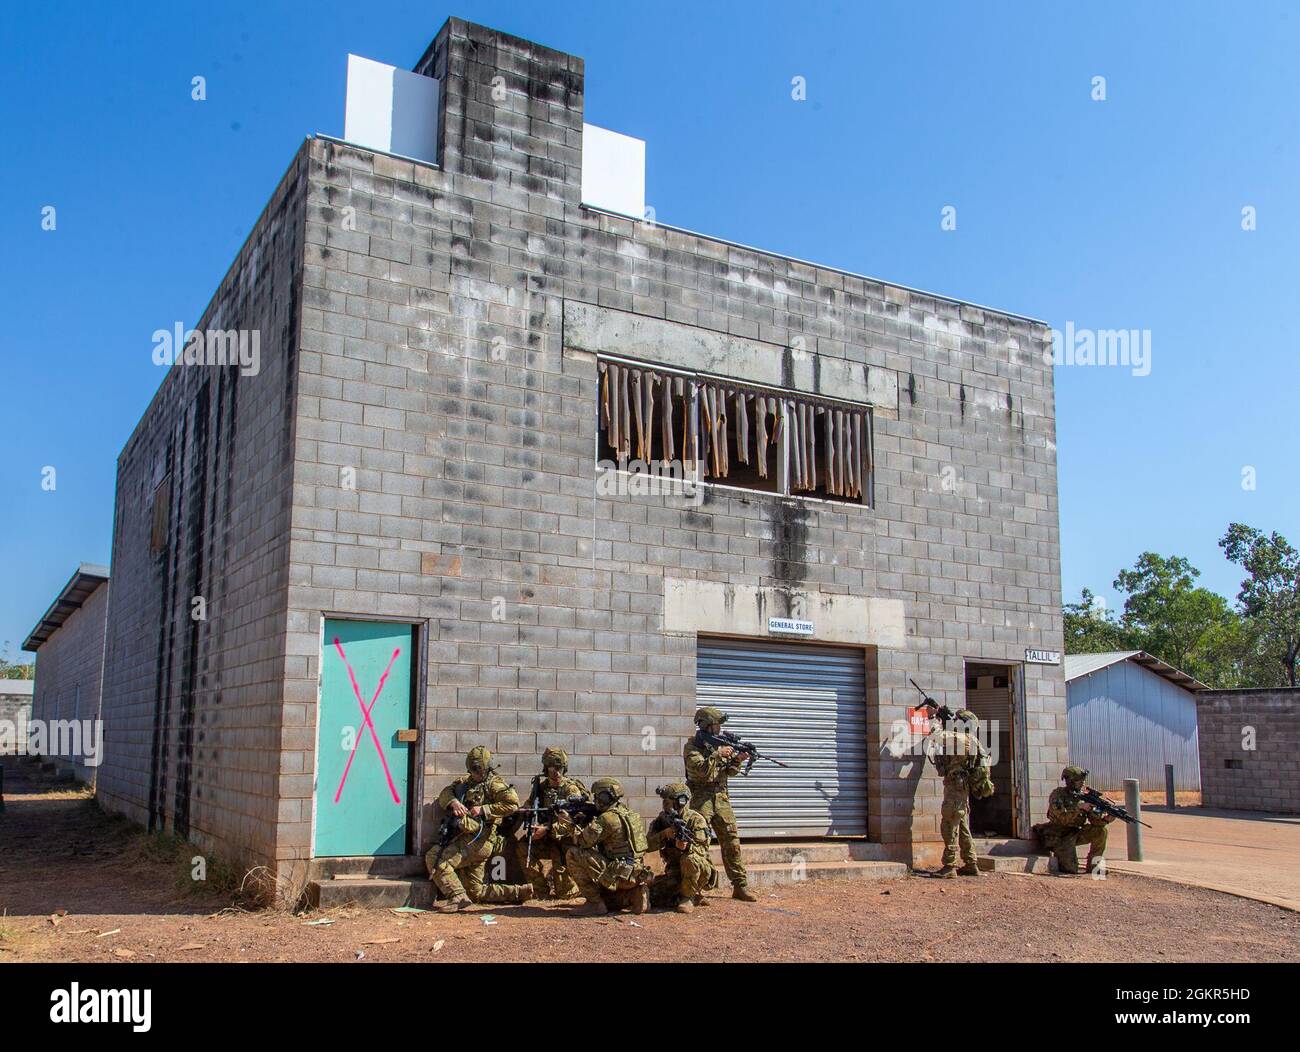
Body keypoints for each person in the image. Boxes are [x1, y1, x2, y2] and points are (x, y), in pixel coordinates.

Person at [427, 746, 535, 912]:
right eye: (473, 770)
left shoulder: (495, 784)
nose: (476, 773)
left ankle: (457, 896)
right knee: (475, 891)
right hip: (472, 841)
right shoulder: (466, 782)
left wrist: (484, 809)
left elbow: (513, 804)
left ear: (487, 767)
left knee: (435, 858)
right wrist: (454, 802)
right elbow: (446, 792)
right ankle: (519, 892)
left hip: (479, 840)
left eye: (479, 770)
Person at [683, 706, 758, 901]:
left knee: (732, 842)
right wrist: (718, 754)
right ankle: (694, 891)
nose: (719, 729)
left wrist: (738, 759)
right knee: (699, 844)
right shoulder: (692, 746)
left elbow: (729, 772)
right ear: (706, 726)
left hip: (721, 798)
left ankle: (740, 886)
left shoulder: (720, 743)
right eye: (716, 725)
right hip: (701, 798)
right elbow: (700, 770)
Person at [563, 777, 653, 916]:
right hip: (636, 874)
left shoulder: (606, 819)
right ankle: (635, 894)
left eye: (597, 796)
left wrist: (569, 823)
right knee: (608, 899)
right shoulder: (629, 814)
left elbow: (582, 842)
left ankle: (594, 903)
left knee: (573, 853)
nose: (595, 800)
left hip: (619, 874)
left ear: (604, 797)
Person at [924, 704, 990, 878]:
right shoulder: (971, 739)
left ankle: (949, 866)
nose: (954, 722)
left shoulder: (961, 739)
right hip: (962, 789)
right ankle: (971, 863)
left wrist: (932, 717)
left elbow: (936, 736)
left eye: (957, 720)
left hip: (955, 790)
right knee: (962, 826)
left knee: (949, 824)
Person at [514, 746, 588, 900]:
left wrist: (547, 829)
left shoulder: (570, 789)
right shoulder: (541, 788)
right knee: (522, 847)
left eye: (559, 768)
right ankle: (540, 889)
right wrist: (525, 811)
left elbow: (571, 822)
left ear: (564, 768)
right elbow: (529, 803)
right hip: (546, 840)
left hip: (565, 842)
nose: (556, 772)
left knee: (565, 894)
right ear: (546, 768)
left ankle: (582, 886)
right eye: (552, 767)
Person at [647, 782, 717, 913]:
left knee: (689, 859)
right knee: (652, 896)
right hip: (675, 871)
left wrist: (687, 847)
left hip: (699, 871)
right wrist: (664, 834)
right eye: (664, 801)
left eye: (668, 801)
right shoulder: (662, 820)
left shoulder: (696, 820)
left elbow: (702, 849)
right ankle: (689, 897)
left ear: (680, 801)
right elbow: (647, 845)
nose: (665, 804)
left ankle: (687, 898)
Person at [1034, 766, 1115, 875]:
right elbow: (1062, 819)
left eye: (1083, 780)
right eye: (1079, 780)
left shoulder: (1082, 797)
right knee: (1071, 869)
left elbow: (1094, 821)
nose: (1082, 783)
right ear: (1070, 781)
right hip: (1059, 836)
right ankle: (1059, 851)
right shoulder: (1058, 794)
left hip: (1074, 833)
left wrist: (1106, 819)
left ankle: (1094, 866)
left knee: (1101, 831)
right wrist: (1079, 808)